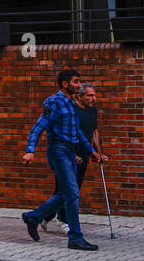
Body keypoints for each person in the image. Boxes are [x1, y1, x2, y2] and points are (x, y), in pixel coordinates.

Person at [20, 69, 108, 251]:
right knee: (73, 194)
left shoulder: (71, 104)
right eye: (76, 82)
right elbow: (37, 128)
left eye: (79, 81)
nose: (79, 85)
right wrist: (30, 151)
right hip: (58, 151)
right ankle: (75, 238)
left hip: (70, 152)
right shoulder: (54, 102)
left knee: (66, 194)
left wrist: (92, 152)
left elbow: (78, 133)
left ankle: (34, 217)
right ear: (64, 84)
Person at [42, 83, 103, 231]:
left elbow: (94, 132)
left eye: (94, 95)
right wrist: (72, 154)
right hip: (66, 155)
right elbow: (61, 134)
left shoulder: (92, 111)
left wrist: (98, 152)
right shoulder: (71, 111)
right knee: (67, 189)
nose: (93, 98)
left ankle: (43, 216)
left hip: (84, 155)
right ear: (79, 96)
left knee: (68, 189)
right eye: (90, 95)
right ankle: (63, 220)